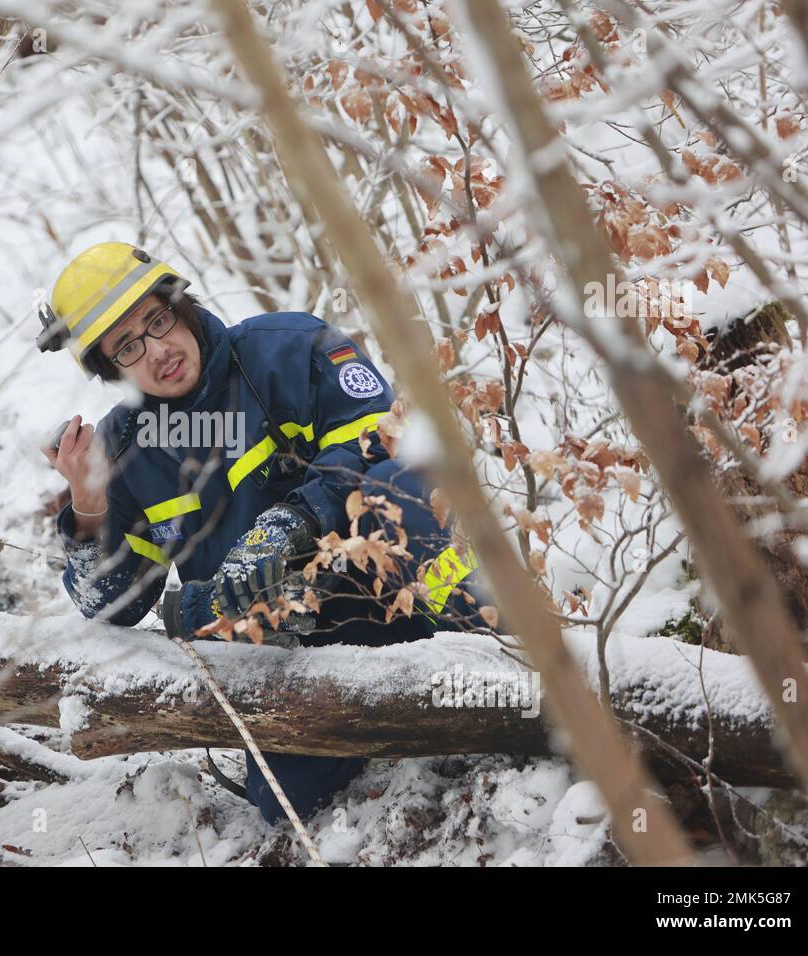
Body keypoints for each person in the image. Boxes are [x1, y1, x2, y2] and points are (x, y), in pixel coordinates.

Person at [38, 241, 482, 824]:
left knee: (408, 482)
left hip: (388, 588)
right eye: (128, 347)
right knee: (284, 810)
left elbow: (387, 437)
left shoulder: (289, 348)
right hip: (292, 656)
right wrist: (89, 507)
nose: (158, 350)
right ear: (110, 370)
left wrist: (293, 521)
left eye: (157, 320)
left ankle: (491, 645)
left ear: (182, 306)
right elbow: (115, 606)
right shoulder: (123, 453)